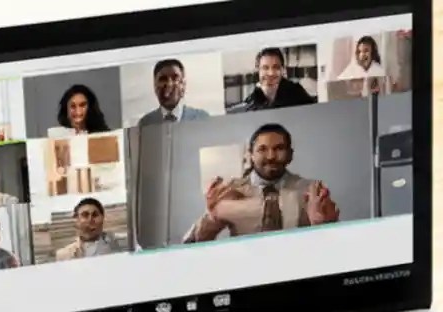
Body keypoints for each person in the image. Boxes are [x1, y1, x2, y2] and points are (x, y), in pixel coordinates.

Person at [183, 123, 339, 243]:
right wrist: (212, 217)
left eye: (279, 148)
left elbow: (332, 245)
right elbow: (192, 244)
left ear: (290, 155)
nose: (271, 156)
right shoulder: (230, 191)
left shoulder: (312, 191)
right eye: (262, 149)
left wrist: (323, 226)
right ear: (251, 155)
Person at [232, 48, 317, 112]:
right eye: (265, 68)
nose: (271, 73)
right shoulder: (250, 102)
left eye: (276, 67)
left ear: (282, 70)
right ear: (258, 70)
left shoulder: (297, 93)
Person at [138, 59, 211, 125]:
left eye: (175, 78)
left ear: (183, 85)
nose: (169, 84)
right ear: (155, 86)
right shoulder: (145, 123)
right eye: (163, 79)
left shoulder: (203, 119)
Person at [55, 198, 125, 260]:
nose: (90, 220)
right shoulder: (64, 255)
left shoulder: (120, 245)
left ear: (102, 218)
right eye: (85, 215)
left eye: (95, 215)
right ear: (77, 220)